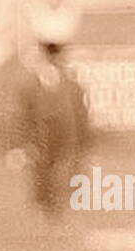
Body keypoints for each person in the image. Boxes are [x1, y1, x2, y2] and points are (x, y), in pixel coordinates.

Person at [13, 40, 91, 214]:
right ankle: (47, 208)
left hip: (65, 136)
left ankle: (57, 209)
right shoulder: (33, 82)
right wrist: (23, 142)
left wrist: (84, 140)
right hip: (42, 138)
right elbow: (24, 114)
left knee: (63, 174)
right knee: (42, 174)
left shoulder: (70, 81)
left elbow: (79, 112)